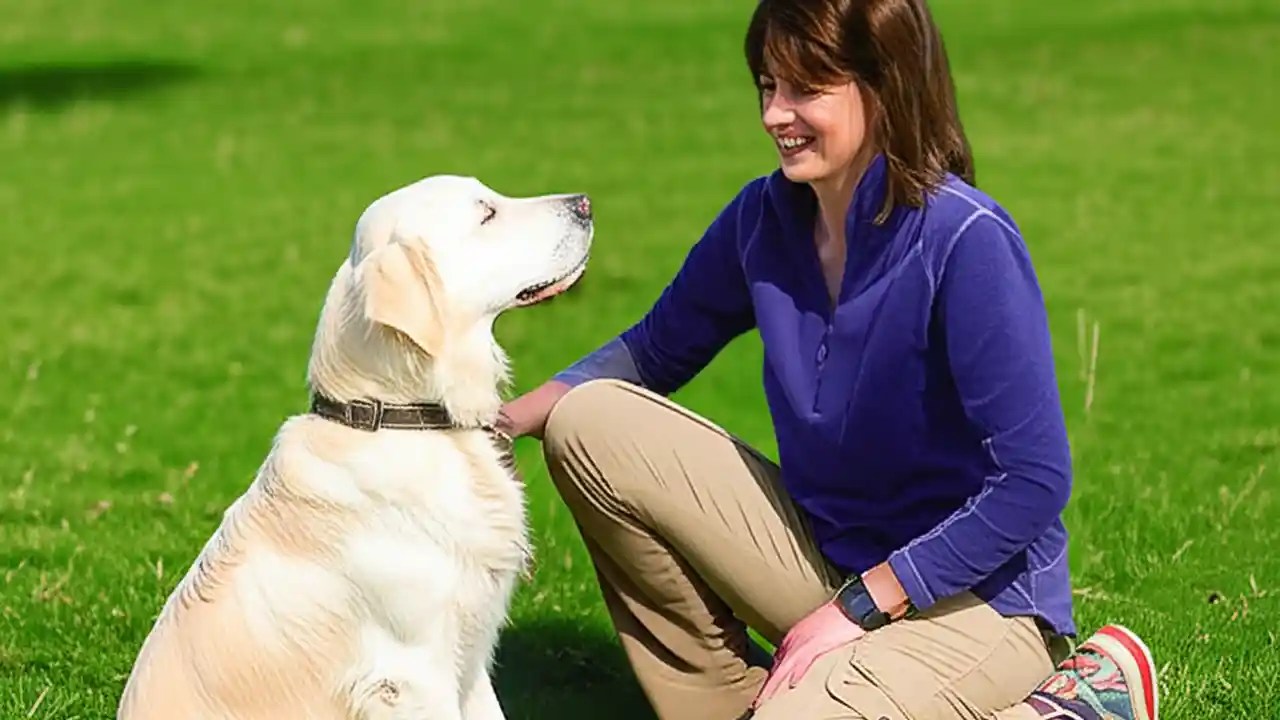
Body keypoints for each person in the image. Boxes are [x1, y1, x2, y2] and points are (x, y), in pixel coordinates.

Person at [499, 1, 1159, 718]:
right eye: (767, 86)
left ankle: (1078, 703)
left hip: (980, 603)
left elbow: (1033, 481)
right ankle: (729, 704)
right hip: (833, 560)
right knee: (587, 421)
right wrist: (491, 424)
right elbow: (654, 348)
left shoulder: (967, 241)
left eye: (805, 89)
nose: (773, 115)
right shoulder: (764, 219)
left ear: (885, 85)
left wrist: (862, 607)